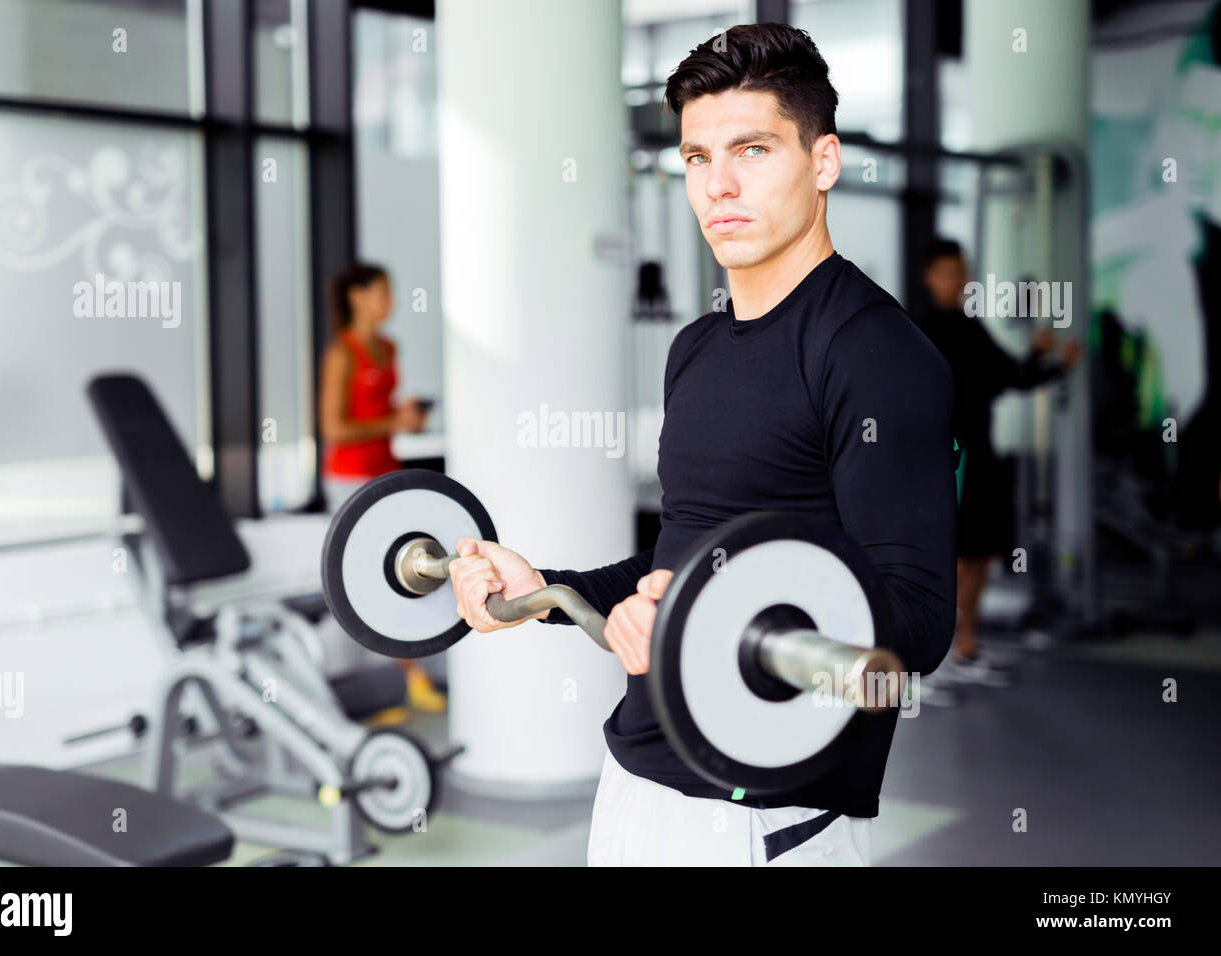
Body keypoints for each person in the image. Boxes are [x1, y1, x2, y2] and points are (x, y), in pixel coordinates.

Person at [449, 24, 957, 865]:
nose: (718, 186)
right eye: (695, 158)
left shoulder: (875, 353)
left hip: (766, 815)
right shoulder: (699, 345)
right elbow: (683, 552)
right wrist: (547, 586)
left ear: (822, 162)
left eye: (752, 150)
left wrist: (701, 621)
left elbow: (915, 629)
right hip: (638, 779)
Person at [914, 239, 1081, 690]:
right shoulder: (920, 329)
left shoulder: (969, 327)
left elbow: (1009, 377)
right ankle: (926, 660)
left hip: (982, 452)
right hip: (948, 457)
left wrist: (1049, 362)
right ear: (931, 278)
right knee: (949, 558)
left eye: (963, 272)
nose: (959, 281)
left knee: (981, 554)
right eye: (949, 273)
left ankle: (965, 648)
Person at [318, 262, 445, 719]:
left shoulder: (389, 348)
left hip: (384, 474)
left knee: (394, 577)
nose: (390, 302)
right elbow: (334, 428)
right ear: (357, 296)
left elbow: (378, 410)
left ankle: (401, 680)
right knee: (368, 582)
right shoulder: (342, 353)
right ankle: (397, 682)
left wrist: (403, 414)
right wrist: (394, 421)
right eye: (382, 293)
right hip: (348, 480)